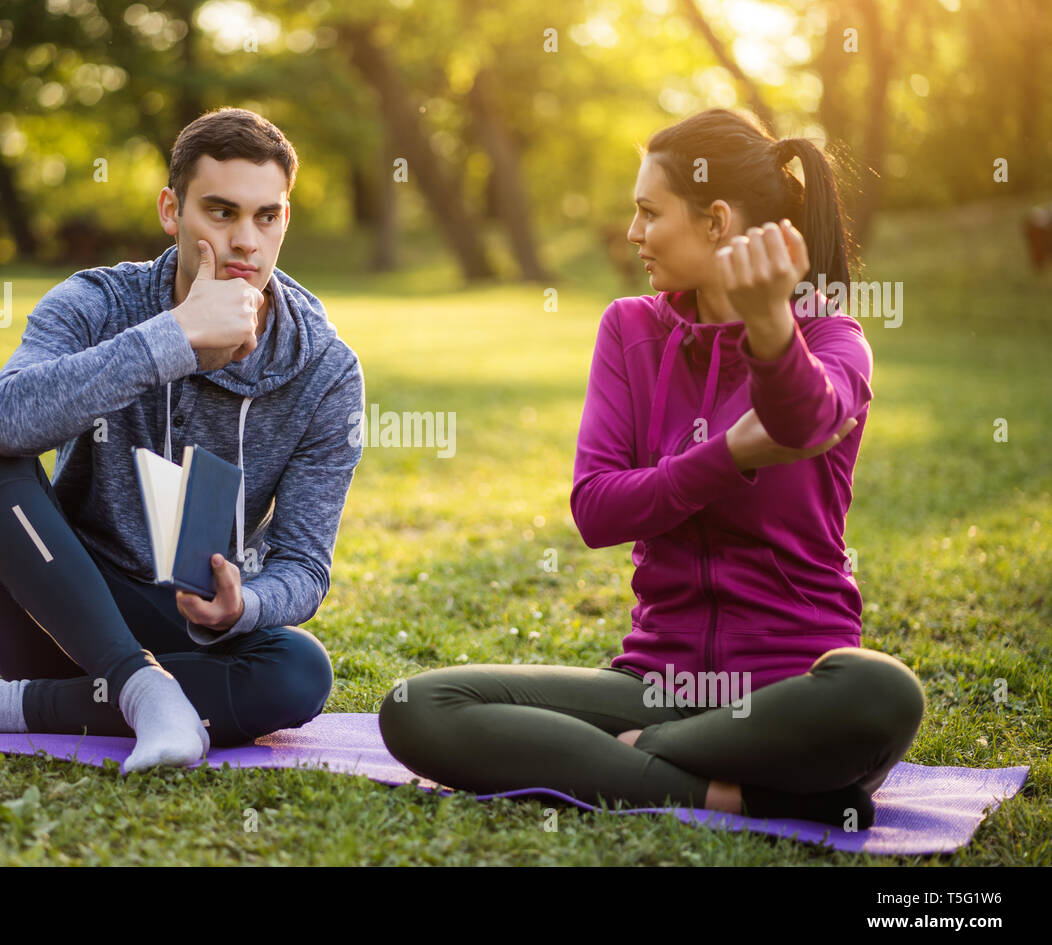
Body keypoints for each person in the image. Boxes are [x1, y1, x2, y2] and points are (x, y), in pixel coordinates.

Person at [378, 109, 925, 828]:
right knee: (420, 706)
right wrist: (728, 455)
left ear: (716, 221)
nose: (633, 233)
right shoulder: (630, 328)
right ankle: (732, 792)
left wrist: (771, 326)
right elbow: (597, 508)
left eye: (648, 211)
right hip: (655, 685)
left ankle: (637, 758)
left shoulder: (832, 339)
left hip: (792, 696)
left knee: (883, 691)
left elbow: (802, 423)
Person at [0, 108, 365, 773]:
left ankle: (11, 706)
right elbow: (10, 419)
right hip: (60, 603)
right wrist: (174, 338)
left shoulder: (325, 371)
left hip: (186, 626)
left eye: (266, 216)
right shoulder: (98, 301)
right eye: (221, 212)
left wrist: (243, 604)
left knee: (299, 671)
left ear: (284, 219)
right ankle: (141, 692)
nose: (246, 241)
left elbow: (304, 564)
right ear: (171, 210)